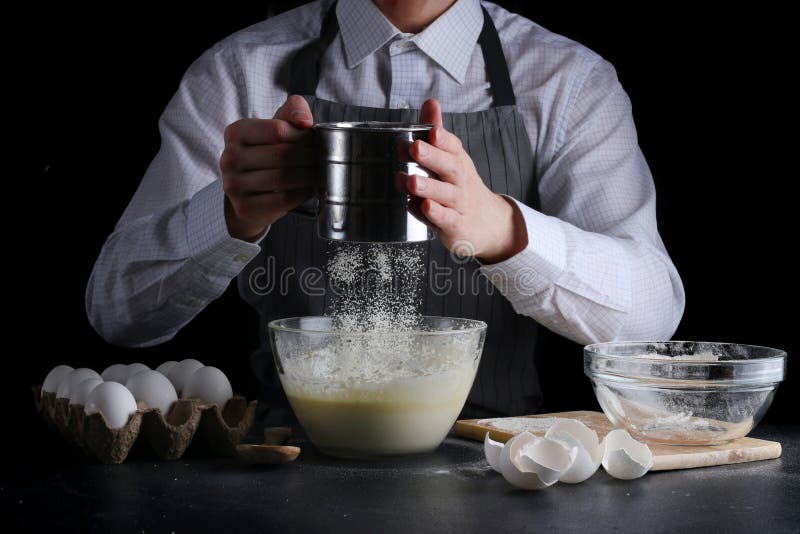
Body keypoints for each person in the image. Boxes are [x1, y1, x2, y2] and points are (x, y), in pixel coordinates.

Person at [86, 0, 685, 419]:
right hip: (282, 463)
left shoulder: (566, 82)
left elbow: (652, 315)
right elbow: (118, 312)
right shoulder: (239, 71)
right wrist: (230, 215)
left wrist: (504, 228)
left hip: (497, 464)